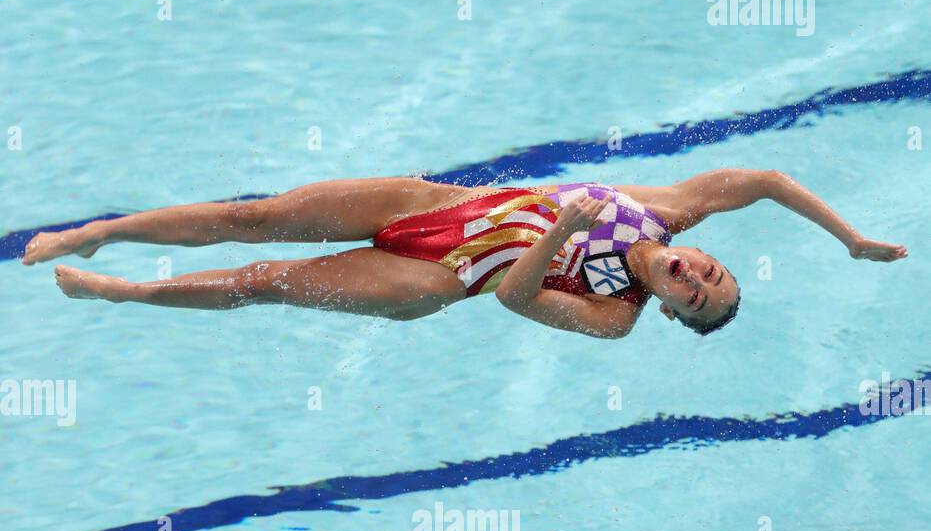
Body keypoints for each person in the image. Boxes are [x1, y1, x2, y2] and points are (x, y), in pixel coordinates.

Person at [23, 170, 906, 338]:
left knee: (266, 284)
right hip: (433, 203)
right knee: (255, 218)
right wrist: (850, 238)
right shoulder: (666, 212)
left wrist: (558, 236)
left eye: (697, 302)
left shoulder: (611, 318)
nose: (700, 282)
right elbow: (766, 180)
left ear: (674, 313)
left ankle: (122, 291)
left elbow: (515, 301)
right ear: (702, 256)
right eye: (714, 275)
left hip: (432, 278)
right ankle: (97, 230)